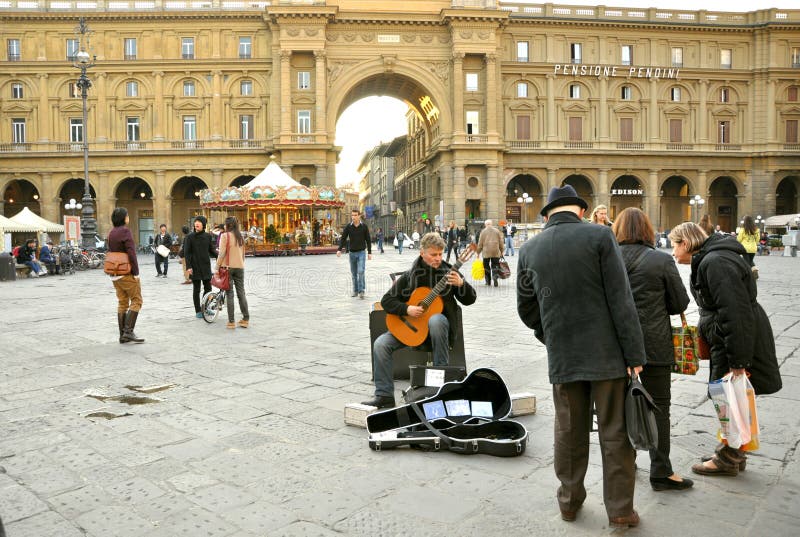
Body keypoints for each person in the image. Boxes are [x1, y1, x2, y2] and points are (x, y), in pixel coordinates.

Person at [517, 185, 645, 528]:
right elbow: (621, 299)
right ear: (581, 211)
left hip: (564, 356)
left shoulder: (529, 248)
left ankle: (569, 503)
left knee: (568, 430)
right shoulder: (601, 237)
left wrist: (551, 335)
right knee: (615, 432)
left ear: (546, 215)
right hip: (607, 355)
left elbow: (526, 309)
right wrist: (634, 353)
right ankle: (620, 509)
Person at [669, 222, 768, 477]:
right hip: (724, 336)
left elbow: (734, 311)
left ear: (687, 243)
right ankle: (733, 450)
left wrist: (738, 360)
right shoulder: (712, 259)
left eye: (674, 245)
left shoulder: (715, 263)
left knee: (727, 396)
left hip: (731, 337)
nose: (673, 252)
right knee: (727, 396)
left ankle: (729, 456)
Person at [612, 208, 693, 492]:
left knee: (619, 407)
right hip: (654, 345)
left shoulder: (607, 260)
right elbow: (679, 304)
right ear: (648, 230)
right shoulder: (660, 260)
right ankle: (661, 471)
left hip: (616, 348)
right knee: (659, 407)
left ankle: (626, 462)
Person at [363, 232, 476, 408]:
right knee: (380, 344)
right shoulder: (410, 276)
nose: (438, 258)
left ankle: (440, 386)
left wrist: (462, 285)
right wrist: (407, 309)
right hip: (413, 329)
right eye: (433, 254)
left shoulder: (450, 274)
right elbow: (387, 301)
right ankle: (384, 395)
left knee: (436, 319)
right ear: (422, 253)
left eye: (440, 254)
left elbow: (470, 300)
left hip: (439, 332)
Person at [107, 207, 144, 344]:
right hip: (126, 272)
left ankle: (122, 335)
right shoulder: (125, 231)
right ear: (124, 218)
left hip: (114, 273)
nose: (128, 217)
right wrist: (136, 272)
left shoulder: (111, 233)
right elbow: (131, 253)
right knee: (137, 300)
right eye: (127, 215)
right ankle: (128, 332)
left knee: (122, 302)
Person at [215, 216, 250, 329]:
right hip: (240, 267)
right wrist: (240, 263)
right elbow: (243, 254)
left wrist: (216, 268)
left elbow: (221, 254)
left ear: (228, 225)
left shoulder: (225, 236)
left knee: (230, 294)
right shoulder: (240, 237)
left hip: (228, 267)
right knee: (241, 293)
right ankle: (245, 319)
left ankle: (231, 322)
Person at [184, 215, 217, 318]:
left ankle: (205, 308)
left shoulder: (208, 236)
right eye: (196, 222)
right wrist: (189, 267)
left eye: (199, 222)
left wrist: (220, 257)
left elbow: (211, 250)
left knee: (208, 288)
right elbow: (187, 253)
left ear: (203, 225)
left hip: (206, 266)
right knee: (196, 289)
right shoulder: (189, 237)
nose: (196, 223)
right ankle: (198, 311)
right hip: (194, 266)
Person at [337, 209, 372, 299]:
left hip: (361, 252)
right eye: (352, 215)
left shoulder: (364, 226)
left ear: (359, 216)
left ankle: (361, 291)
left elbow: (368, 240)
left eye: (355, 215)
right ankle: (355, 290)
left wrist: (370, 252)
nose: (353, 217)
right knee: (354, 273)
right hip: (352, 253)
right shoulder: (348, 227)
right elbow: (343, 238)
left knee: (361, 271)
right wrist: (339, 249)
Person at [476, 219, 504, 287]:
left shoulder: (483, 232)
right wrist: (502, 251)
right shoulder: (497, 231)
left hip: (486, 252)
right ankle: (495, 276)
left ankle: (488, 281)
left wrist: (478, 252)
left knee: (486, 266)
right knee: (495, 264)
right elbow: (501, 242)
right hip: (495, 251)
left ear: (485, 225)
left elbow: (480, 243)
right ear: (491, 224)